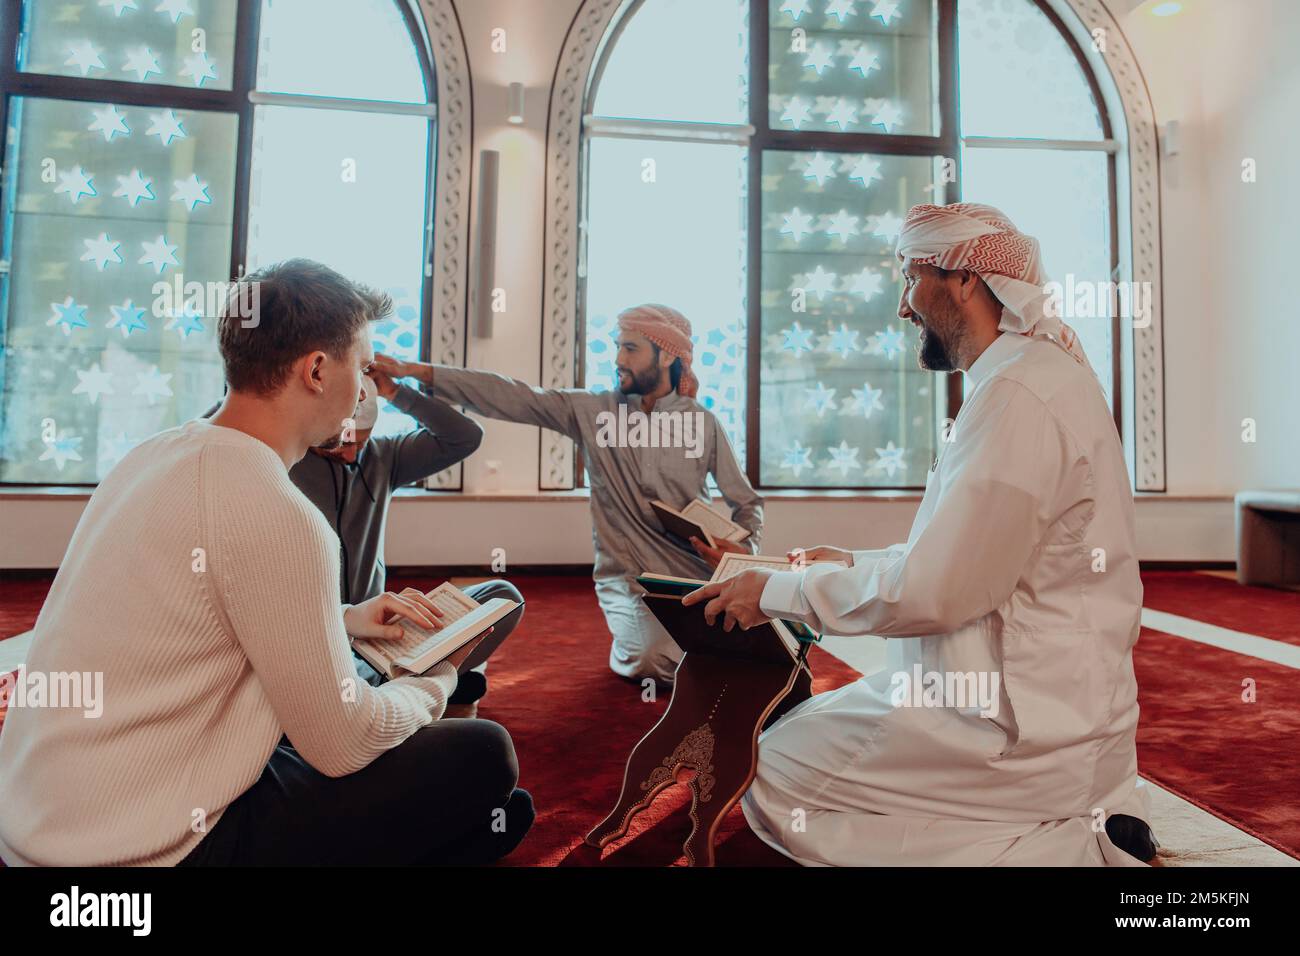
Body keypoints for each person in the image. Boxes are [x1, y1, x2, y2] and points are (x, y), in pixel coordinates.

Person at [0, 259, 532, 866]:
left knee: (500, 818)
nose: (363, 391)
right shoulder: (278, 511)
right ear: (315, 370)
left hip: (36, 820)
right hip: (142, 851)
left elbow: (203, 610)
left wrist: (345, 618)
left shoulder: (151, 455)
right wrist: (434, 682)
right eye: (361, 368)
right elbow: (343, 743)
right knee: (486, 756)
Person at [684, 203, 1156, 866]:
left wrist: (777, 591)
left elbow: (938, 591)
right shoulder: (1025, 378)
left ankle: (1076, 848)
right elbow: (971, 559)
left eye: (910, 278)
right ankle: (1077, 820)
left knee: (768, 776)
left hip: (1015, 724)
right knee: (794, 736)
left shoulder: (1017, 395)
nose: (903, 306)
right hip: (1024, 696)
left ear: (964, 278)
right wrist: (846, 560)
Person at [372, 304, 763, 686]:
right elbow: (510, 395)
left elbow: (746, 503)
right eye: (617, 346)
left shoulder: (703, 423)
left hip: (697, 575)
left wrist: (744, 552)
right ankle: (639, 640)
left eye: (630, 348)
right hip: (632, 582)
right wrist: (411, 372)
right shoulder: (591, 411)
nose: (618, 359)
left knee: (770, 637)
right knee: (654, 663)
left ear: (666, 356)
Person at [210, 286, 526, 719]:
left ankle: (423, 680)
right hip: (317, 633)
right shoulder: (281, 457)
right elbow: (235, 418)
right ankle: (428, 688)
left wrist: (397, 389)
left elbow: (464, 437)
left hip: (378, 627)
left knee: (499, 596)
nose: (351, 454)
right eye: (341, 442)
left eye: (361, 441)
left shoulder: (384, 458)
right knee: (475, 734)